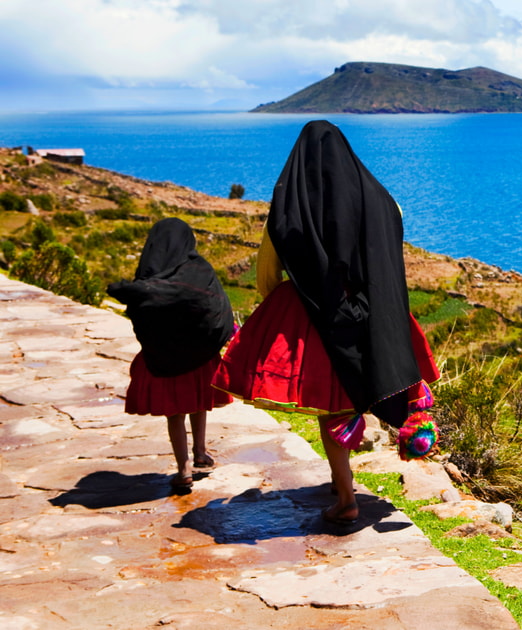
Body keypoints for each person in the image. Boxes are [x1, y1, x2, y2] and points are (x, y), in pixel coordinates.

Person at [214, 120, 440, 526]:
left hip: (314, 314)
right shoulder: (385, 203)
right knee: (373, 388)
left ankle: (345, 494)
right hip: (380, 311)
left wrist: (284, 310)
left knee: (331, 407)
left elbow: (268, 274)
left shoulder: (290, 212)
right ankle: (352, 481)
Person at [107, 218, 235, 490]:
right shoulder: (199, 270)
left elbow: (143, 307)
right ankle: (200, 452)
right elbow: (215, 305)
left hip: (165, 357)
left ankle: (184, 467)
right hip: (200, 356)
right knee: (199, 403)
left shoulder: (150, 274)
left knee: (174, 414)